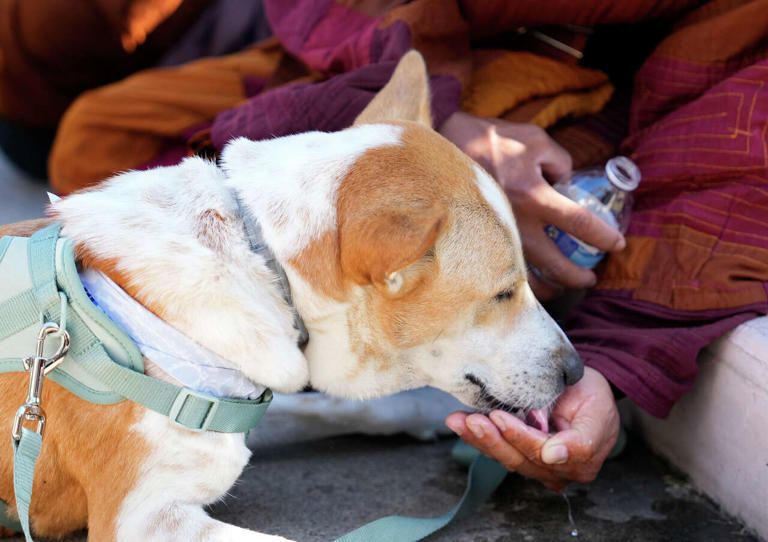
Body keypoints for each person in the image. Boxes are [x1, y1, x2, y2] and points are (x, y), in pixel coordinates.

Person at [4, 0, 768, 495]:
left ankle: (383, 371)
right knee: (96, 136)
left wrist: (622, 359)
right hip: (421, 63)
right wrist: (435, 128)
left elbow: (738, 128)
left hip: (594, 115)